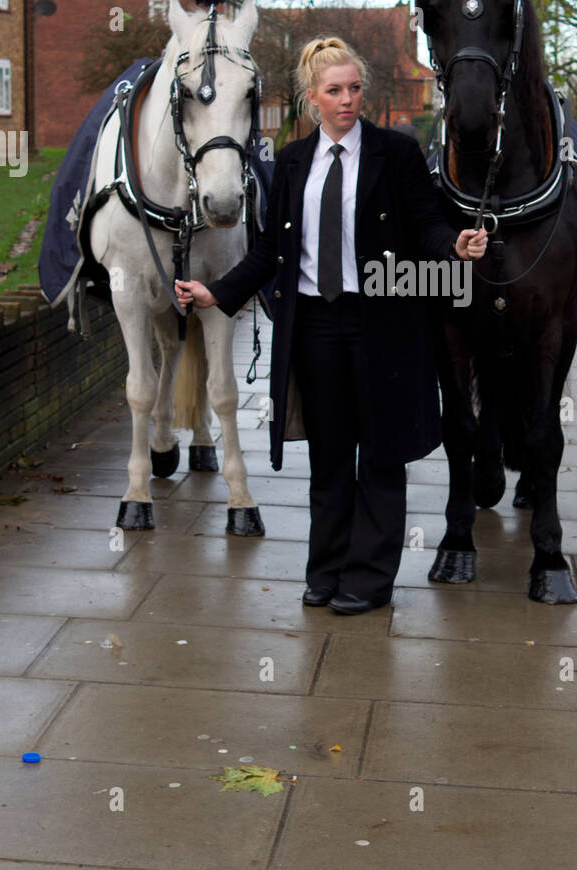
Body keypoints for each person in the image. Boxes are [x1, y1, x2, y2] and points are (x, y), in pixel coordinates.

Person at [175, 36, 486, 613]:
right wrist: (215, 292)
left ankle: (369, 580)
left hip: (383, 326)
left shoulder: (397, 153)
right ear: (311, 97)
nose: (348, 100)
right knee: (330, 457)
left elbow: (426, 226)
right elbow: (269, 249)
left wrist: (456, 246)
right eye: (335, 90)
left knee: (382, 457)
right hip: (315, 326)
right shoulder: (291, 162)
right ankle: (326, 571)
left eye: (355, 88)